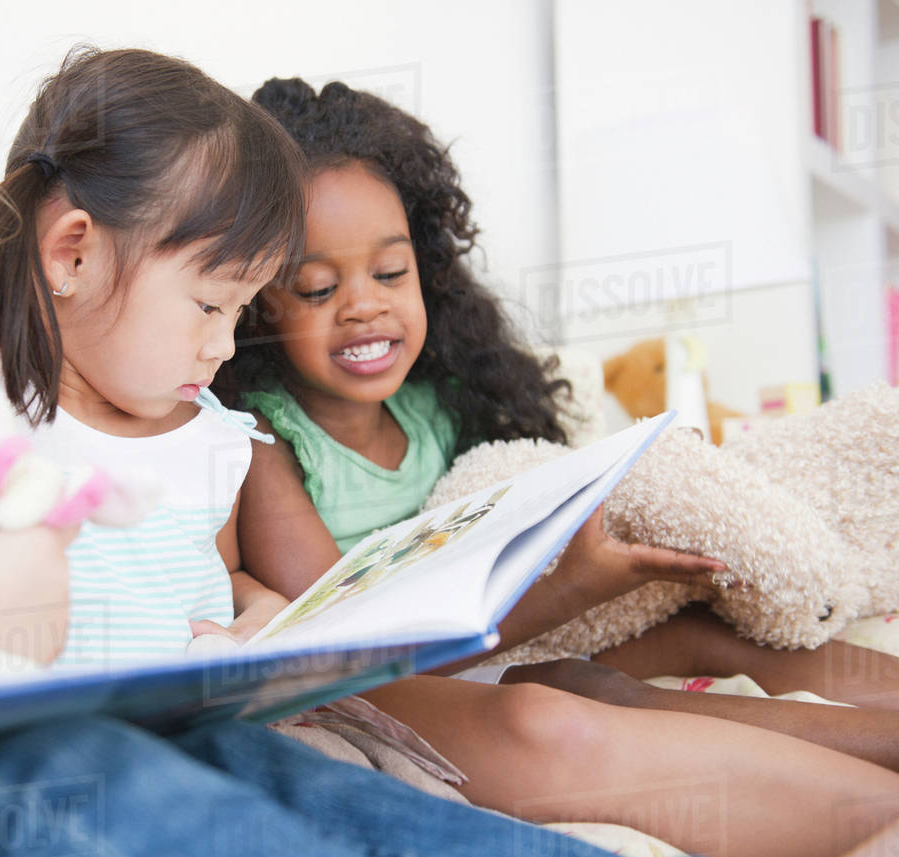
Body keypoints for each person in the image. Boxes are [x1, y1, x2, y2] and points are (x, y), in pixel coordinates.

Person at [0, 5, 629, 857]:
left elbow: (226, 583)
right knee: (93, 767)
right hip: (3, 765)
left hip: (150, 731)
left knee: (302, 779)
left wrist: (260, 627)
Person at [211, 76, 899, 857]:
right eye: (319, 287)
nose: (364, 305)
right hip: (392, 675)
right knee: (566, 703)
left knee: (707, 628)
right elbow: (363, 643)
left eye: (391, 273)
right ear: (260, 301)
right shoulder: (265, 435)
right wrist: (580, 583)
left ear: (425, 269)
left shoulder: (440, 405)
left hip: (501, 638)